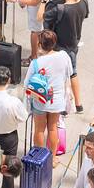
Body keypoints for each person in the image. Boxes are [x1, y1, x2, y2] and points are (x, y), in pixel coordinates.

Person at [24, 30, 72, 158]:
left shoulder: (36, 63)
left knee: (39, 130)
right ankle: (52, 158)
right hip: (56, 101)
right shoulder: (64, 56)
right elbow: (69, 74)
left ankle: (39, 158)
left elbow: (26, 83)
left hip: (40, 100)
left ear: (39, 44)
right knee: (53, 128)